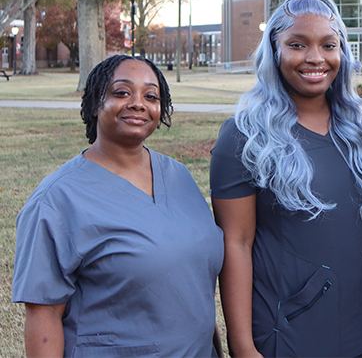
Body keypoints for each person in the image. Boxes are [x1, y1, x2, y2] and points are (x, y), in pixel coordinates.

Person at [210, 0, 362, 358]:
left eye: (329, 45)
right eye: (298, 44)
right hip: (291, 335)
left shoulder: (358, 129)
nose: (316, 58)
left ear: (342, 53)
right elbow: (236, 244)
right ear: (274, 51)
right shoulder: (245, 136)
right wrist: (243, 346)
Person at [12, 55, 224, 357]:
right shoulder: (57, 201)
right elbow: (43, 315)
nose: (138, 103)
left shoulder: (179, 177)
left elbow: (191, 284)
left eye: (151, 96)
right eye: (121, 92)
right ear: (95, 103)